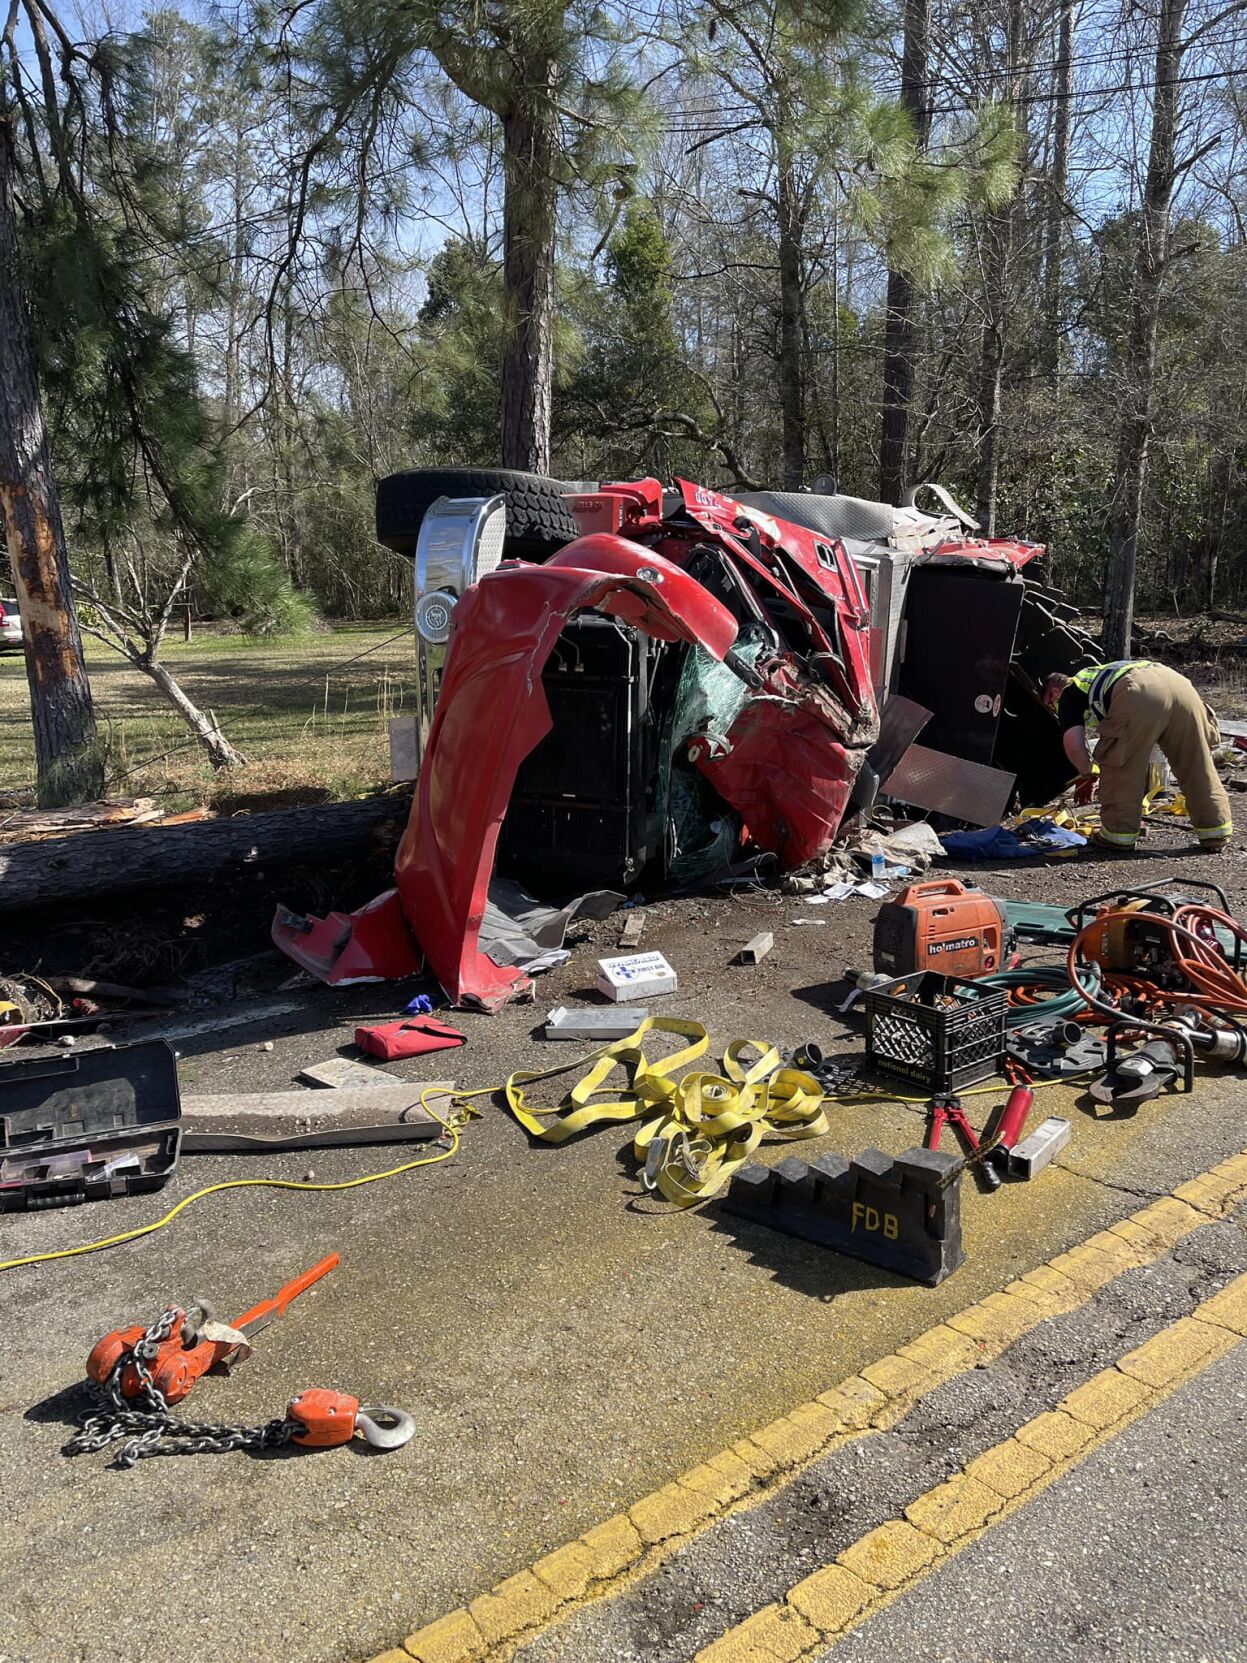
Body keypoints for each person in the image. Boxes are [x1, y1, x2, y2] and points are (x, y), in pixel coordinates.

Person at [1043, 659, 1232, 853]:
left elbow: (1074, 745)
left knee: (1121, 764)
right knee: (1196, 763)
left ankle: (1118, 835)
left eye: (1050, 704)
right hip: (1180, 685)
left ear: (1054, 692)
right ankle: (1216, 832)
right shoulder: (1098, 675)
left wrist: (1088, 773)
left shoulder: (1070, 691)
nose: (1053, 708)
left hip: (1138, 692)